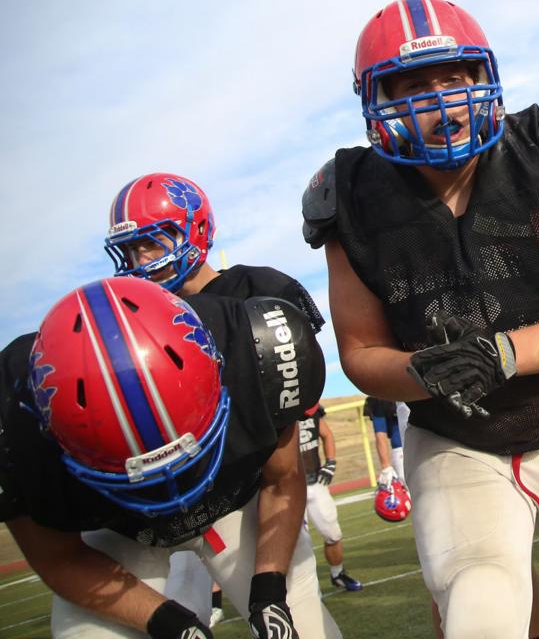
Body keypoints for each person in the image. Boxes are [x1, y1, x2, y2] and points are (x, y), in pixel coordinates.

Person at [304, 0, 539, 638]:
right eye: (410, 84)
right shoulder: (350, 194)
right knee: (478, 606)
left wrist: (503, 353)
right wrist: (425, 370)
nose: (436, 99)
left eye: (451, 78)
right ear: (374, 99)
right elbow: (360, 351)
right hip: (454, 434)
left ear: (482, 79)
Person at [0, 276, 340, 638]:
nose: (169, 487)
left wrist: (269, 588)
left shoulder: (249, 348)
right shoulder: (14, 423)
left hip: (234, 506)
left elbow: (282, 479)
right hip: (123, 530)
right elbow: (61, 560)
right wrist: (167, 621)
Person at [104, 171, 329, 620]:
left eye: (153, 241)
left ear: (196, 231)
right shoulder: (125, 319)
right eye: (129, 248)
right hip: (157, 506)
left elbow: (294, 398)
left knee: (298, 622)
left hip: (247, 491)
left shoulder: (255, 292)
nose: (139, 258)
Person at [297, 403, 364, 591]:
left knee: (332, 533)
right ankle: (303, 588)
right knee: (299, 544)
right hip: (290, 489)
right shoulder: (275, 413)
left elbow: (326, 434)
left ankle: (337, 573)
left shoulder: (310, 407)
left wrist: (331, 462)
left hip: (316, 481)